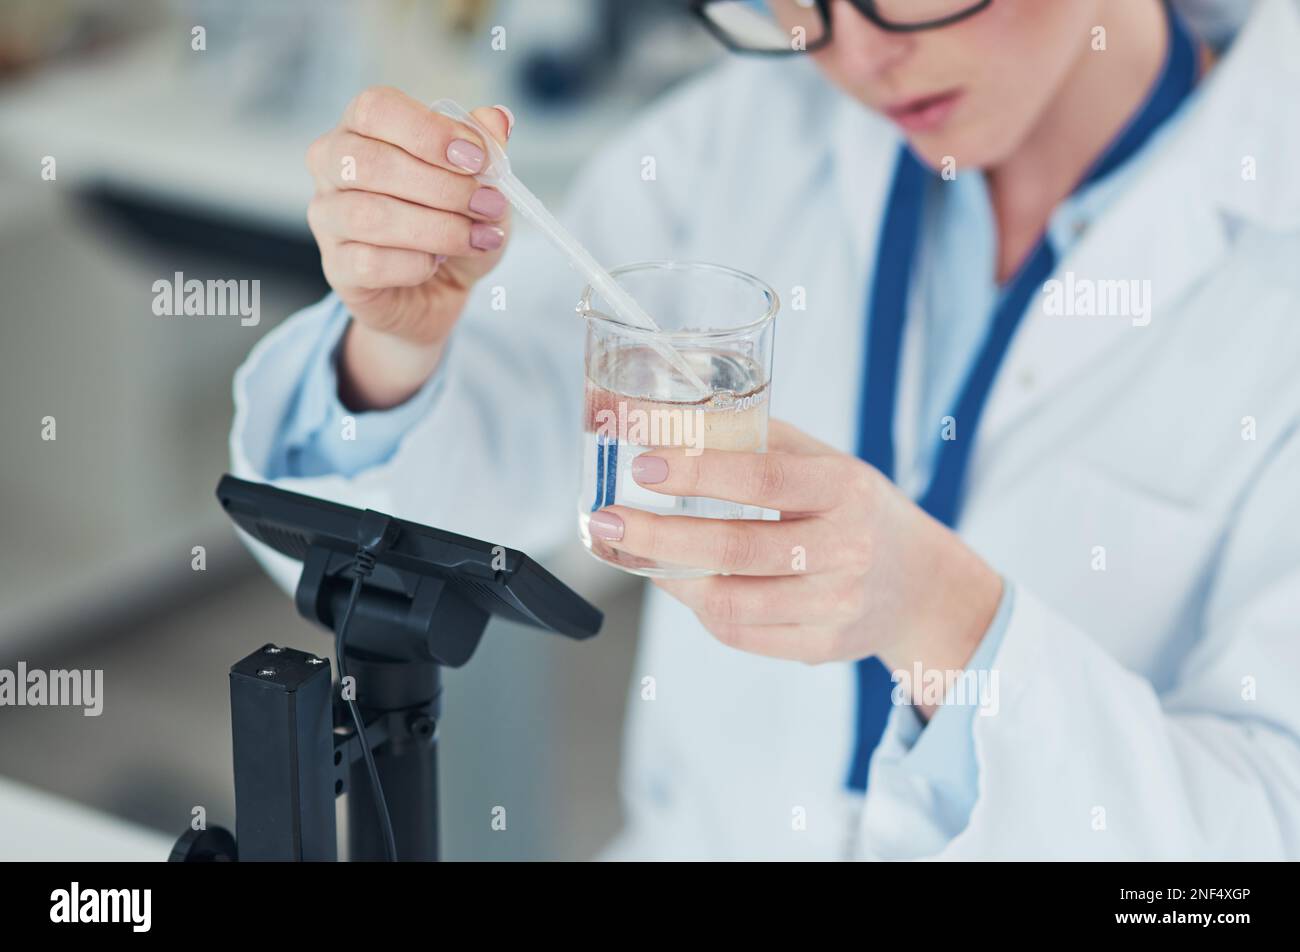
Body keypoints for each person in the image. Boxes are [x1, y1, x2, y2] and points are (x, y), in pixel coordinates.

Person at [230, 0, 1300, 859]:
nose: (859, 56)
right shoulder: (746, 133)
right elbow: (444, 525)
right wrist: (397, 348)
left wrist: (943, 618)